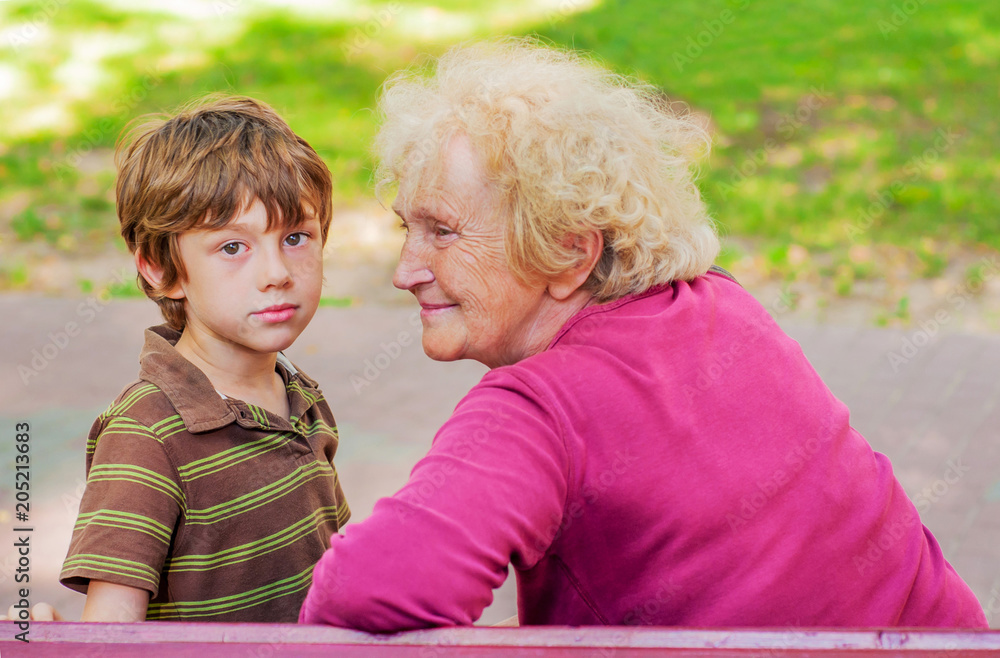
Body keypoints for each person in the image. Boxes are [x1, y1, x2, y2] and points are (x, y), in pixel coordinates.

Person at [300, 39, 986, 629]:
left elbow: (368, 590)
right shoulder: (722, 305)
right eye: (406, 228)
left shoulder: (539, 411)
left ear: (571, 251)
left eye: (443, 231)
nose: (404, 270)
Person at [26, 96, 348, 623]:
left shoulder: (299, 395)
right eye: (232, 248)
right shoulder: (147, 434)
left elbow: (333, 562)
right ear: (160, 268)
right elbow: (112, 632)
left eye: (295, 237)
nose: (276, 272)